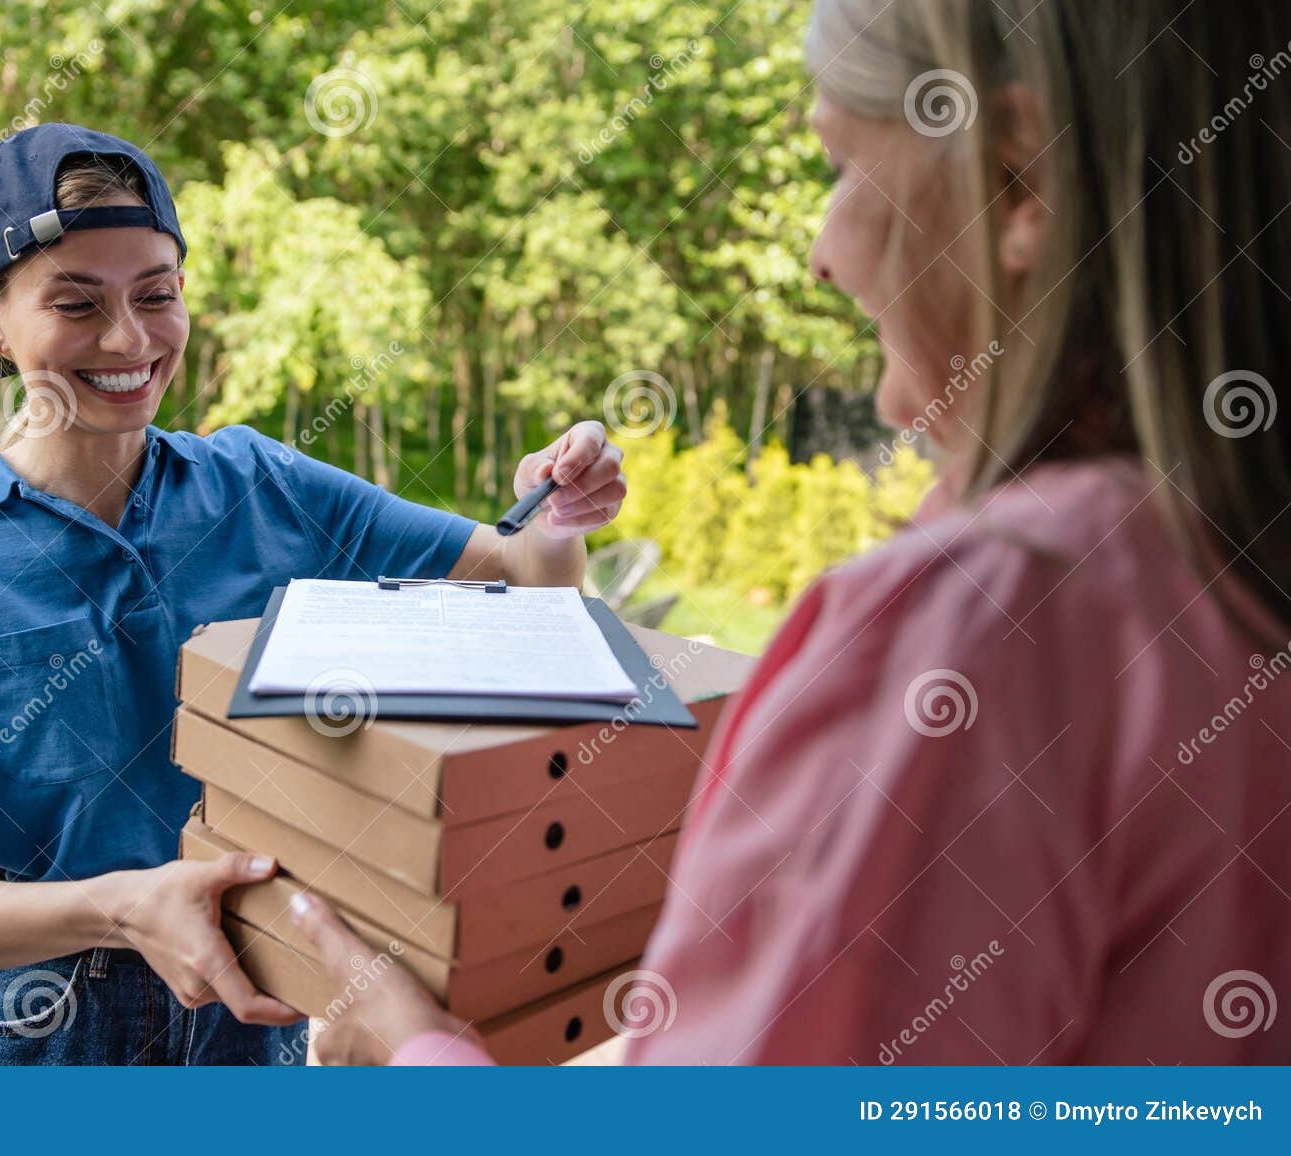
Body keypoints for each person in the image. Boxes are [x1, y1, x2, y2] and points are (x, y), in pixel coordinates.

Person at [288, 0, 1291, 1065]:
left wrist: (413, 1054)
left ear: (1018, 183)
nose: (820, 254)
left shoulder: (977, 621)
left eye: (841, 170)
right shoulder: (1200, 548)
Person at [0, 123, 628, 1066]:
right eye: (77, 304)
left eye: (156, 296)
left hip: (255, 1020)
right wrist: (123, 908)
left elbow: (524, 579)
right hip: (41, 1033)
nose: (128, 339)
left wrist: (559, 521)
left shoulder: (263, 485)